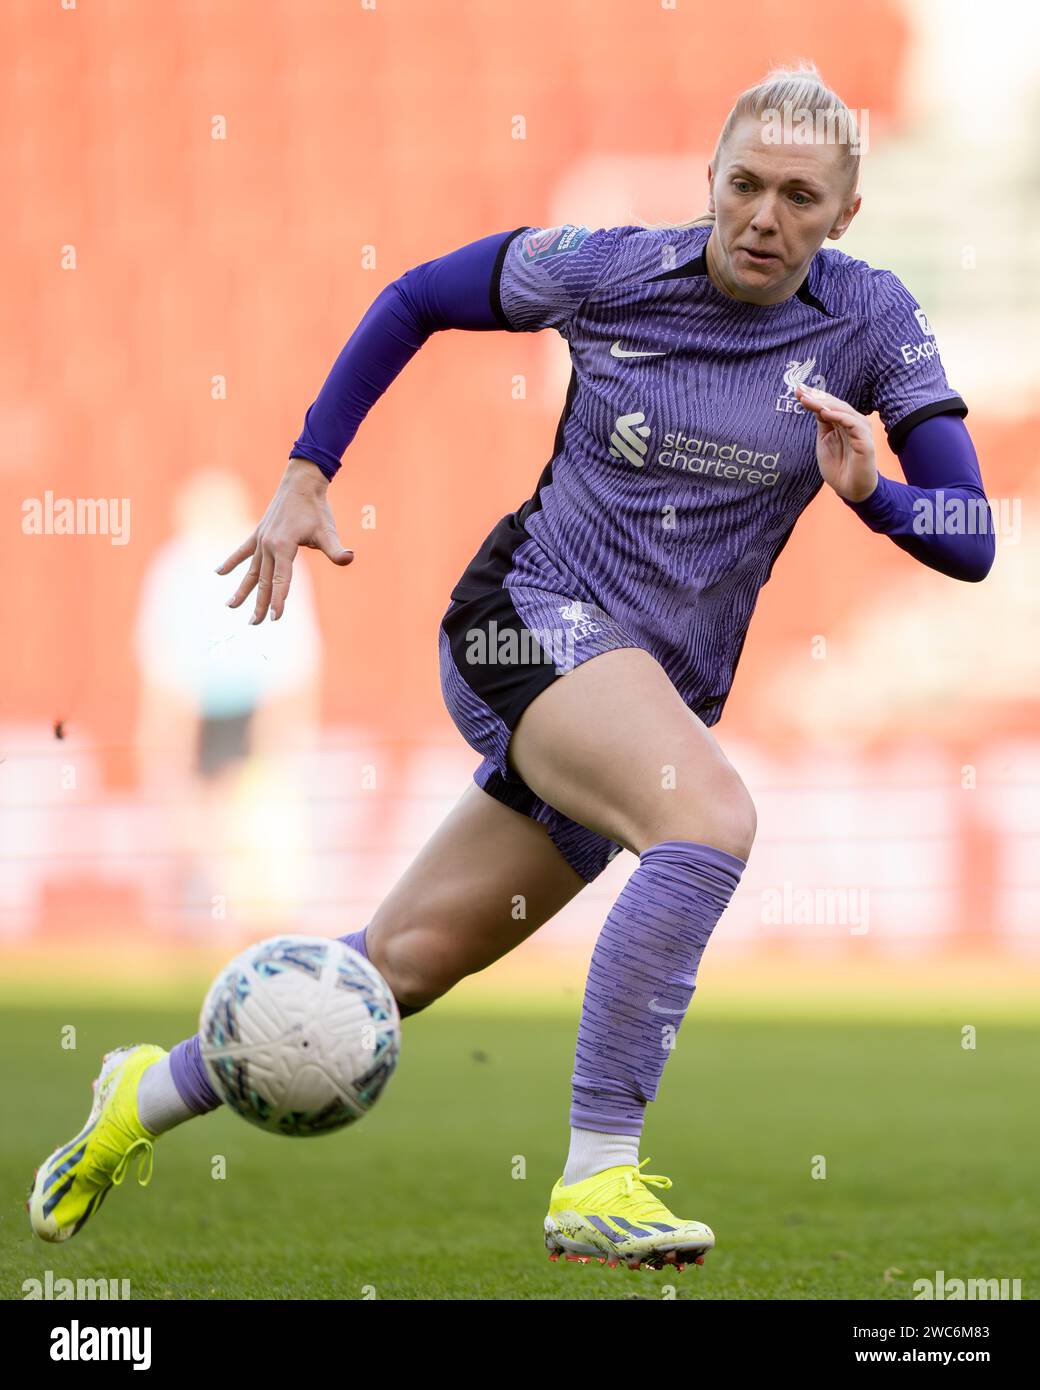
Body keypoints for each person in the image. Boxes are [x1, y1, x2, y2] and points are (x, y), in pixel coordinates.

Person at [29, 65, 994, 1273]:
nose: (762, 215)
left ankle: (141, 1096)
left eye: (798, 196)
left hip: (642, 691)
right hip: (523, 624)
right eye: (741, 184)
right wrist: (308, 467)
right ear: (707, 181)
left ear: (843, 214)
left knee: (395, 971)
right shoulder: (606, 269)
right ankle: (597, 1174)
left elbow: (970, 540)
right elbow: (414, 297)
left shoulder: (870, 319)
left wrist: (874, 496)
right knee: (708, 816)